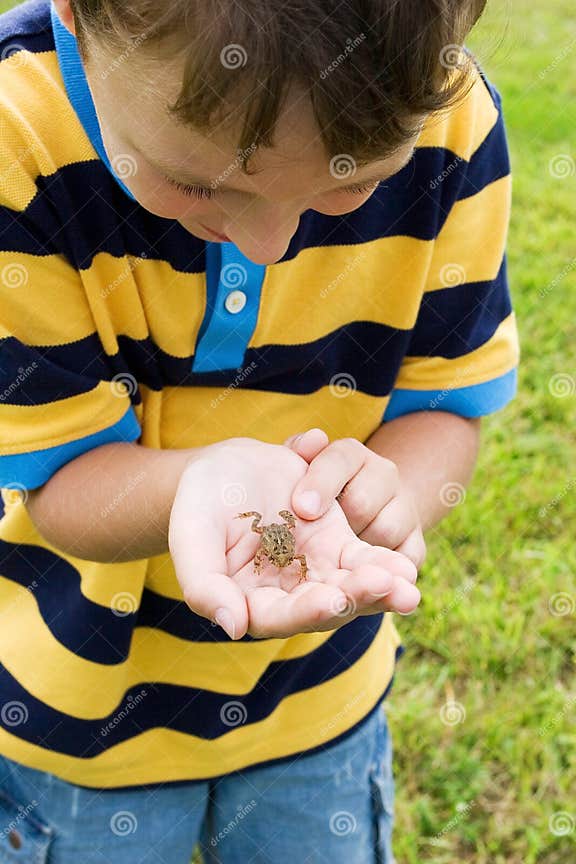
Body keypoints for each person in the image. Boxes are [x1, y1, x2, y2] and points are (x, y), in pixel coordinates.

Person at [0, 0, 519, 860]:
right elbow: (56, 478)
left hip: (320, 702)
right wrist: (195, 485)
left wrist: (384, 501)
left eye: (354, 179)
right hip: (76, 724)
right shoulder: (18, 141)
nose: (270, 242)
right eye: (201, 184)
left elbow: (442, 404)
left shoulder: (452, 127)